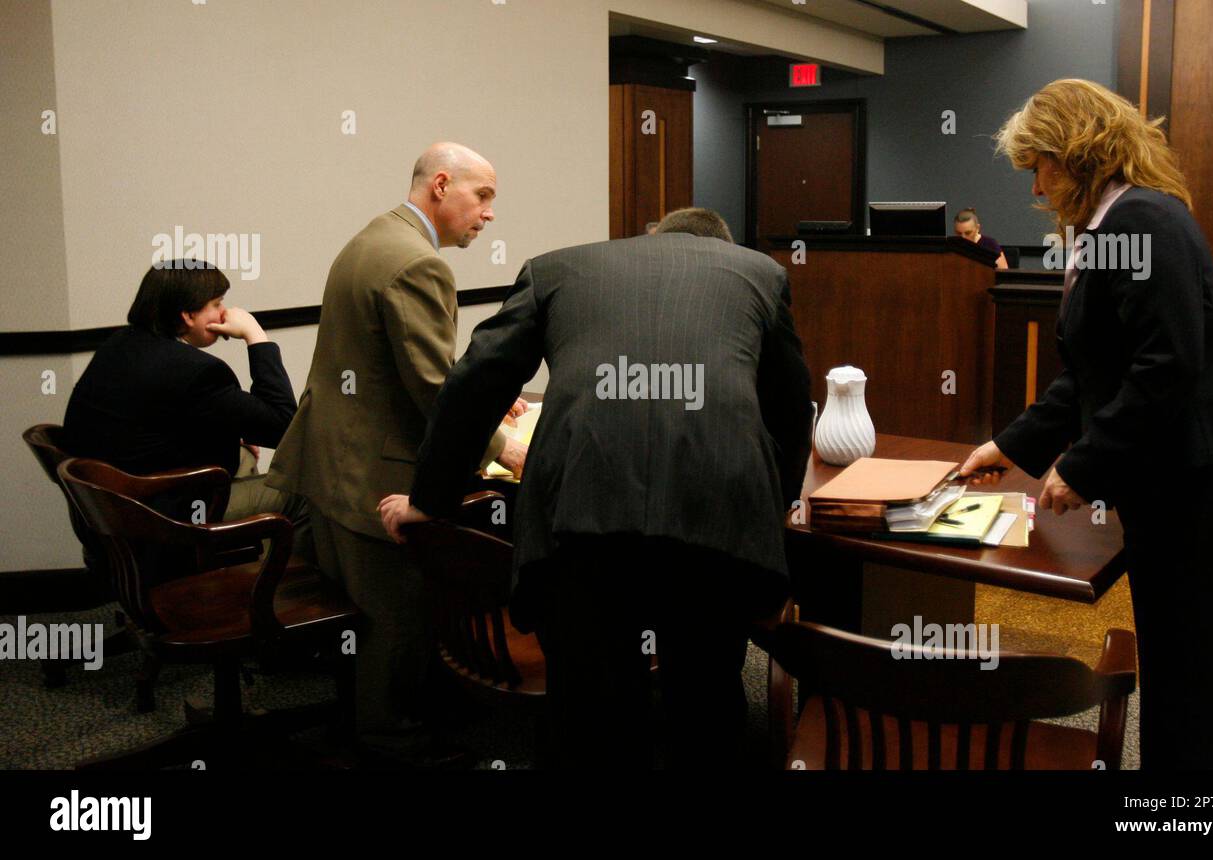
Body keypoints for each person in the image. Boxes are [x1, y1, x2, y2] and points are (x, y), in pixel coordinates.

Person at [378, 206, 813, 769]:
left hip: (581, 514)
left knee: (587, 706)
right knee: (705, 696)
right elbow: (789, 407)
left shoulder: (555, 269)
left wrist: (430, 499)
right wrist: (774, 504)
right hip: (717, 509)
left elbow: (473, 385)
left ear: (651, 236)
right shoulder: (760, 273)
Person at [959, 79, 1213, 770]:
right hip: (1181, 480)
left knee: (1193, 683)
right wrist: (1009, 447)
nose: (1037, 190)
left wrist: (1083, 465)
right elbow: (1089, 373)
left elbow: (1168, 365)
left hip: (1208, 483)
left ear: (1077, 150)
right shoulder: (1113, 224)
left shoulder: (1140, 221)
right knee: (1178, 673)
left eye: (1039, 166)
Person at [265, 143, 527, 752]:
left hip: (328, 458)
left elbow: (395, 363)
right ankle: (389, 738)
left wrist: (480, 394)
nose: (488, 214)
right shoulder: (420, 264)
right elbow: (435, 388)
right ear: (441, 185)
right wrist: (502, 447)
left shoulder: (373, 238)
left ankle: (367, 713)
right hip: (371, 473)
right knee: (397, 615)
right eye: (481, 196)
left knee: (362, 608)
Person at [63, 260, 308, 553]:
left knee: (242, 455)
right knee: (304, 492)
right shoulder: (196, 372)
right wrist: (256, 337)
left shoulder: (119, 344)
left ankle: (241, 568)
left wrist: (230, 432)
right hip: (161, 520)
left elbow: (150, 421)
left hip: (107, 513)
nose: (225, 312)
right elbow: (282, 426)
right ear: (189, 315)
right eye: (217, 303)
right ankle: (276, 587)